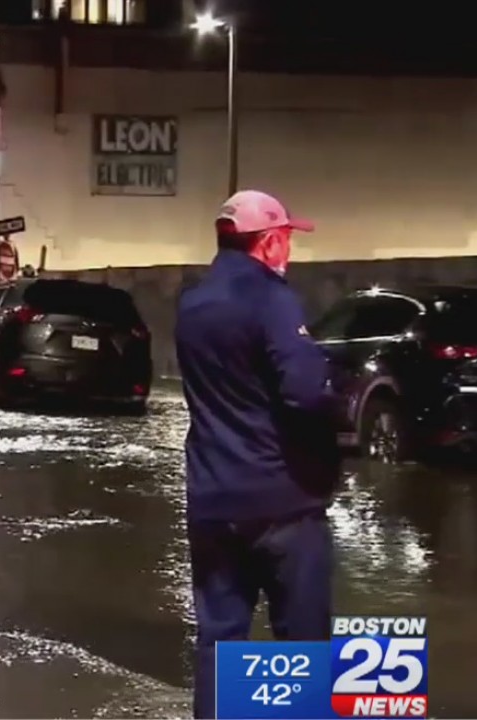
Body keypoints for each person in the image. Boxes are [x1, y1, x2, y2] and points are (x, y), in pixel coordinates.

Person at [175, 190, 342, 719]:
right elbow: (306, 393)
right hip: (282, 500)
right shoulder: (272, 298)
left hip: (212, 498)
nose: (289, 248)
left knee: (220, 640)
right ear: (269, 241)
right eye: (287, 237)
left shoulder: (192, 305)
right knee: (305, 643)